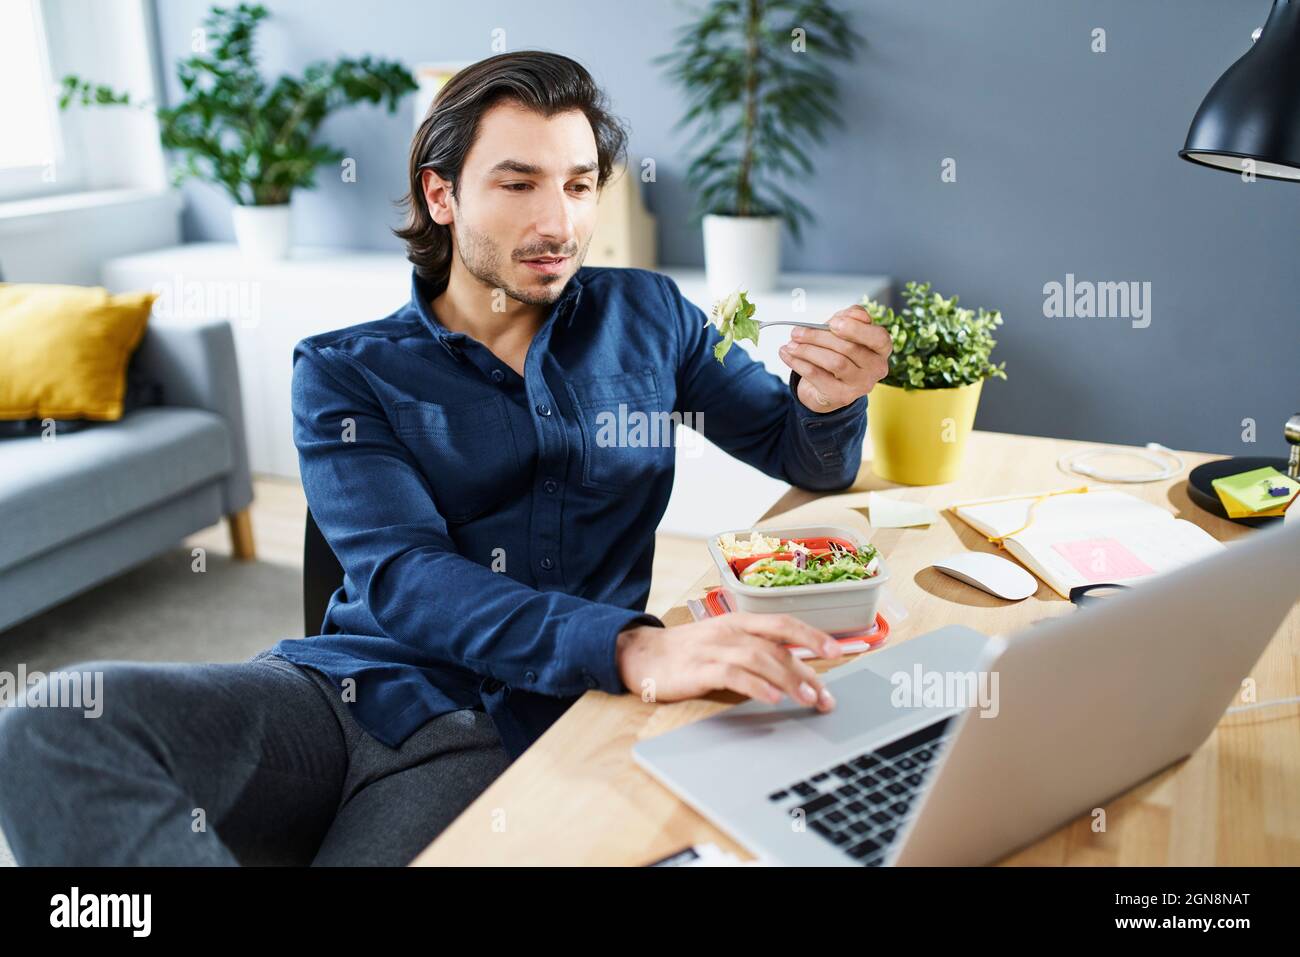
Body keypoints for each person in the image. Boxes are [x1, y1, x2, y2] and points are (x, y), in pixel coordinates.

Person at [0, 50, 890, 866]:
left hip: (506, 730)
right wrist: (630, 646)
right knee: (50, 725)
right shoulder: (346, 369)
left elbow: (797, 451)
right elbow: (403, 574)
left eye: (580, 186)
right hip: (344, 694)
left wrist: (827, 397)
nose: (558, 220)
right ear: (440, 195)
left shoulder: (651, 317)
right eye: (518, 183)